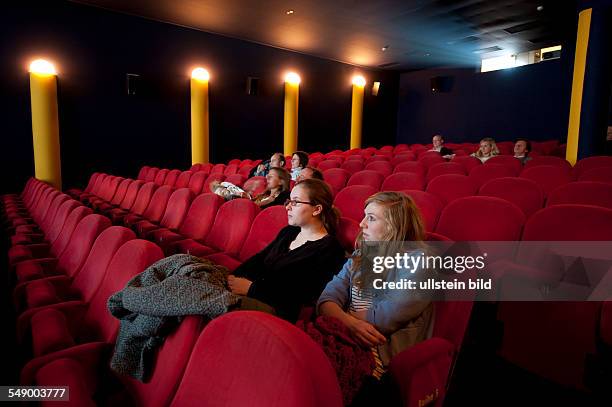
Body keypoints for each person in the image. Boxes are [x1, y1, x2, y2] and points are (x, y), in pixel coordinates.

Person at [317, 192, 433, 387]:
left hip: (378, 354)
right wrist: (349, 321)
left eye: (371, 218)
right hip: (345, 334)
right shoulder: (362, 253)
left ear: (395, 225)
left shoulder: (420, 262)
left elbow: (382, 320)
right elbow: (325, 299)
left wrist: (341, 314)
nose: (361, 224)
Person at [228, 179, 346, 321]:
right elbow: (259, 259)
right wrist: (232, 277)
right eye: (289, 201)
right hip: (247, 293)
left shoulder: (330, 250)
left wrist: (252, 289)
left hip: (273, 311)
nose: (288, 207)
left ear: (317, 209)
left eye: (295, 202)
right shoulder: (289, 232)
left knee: (197, 293)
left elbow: (301, 294)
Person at [211, 167, 290, 209]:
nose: (267, 177)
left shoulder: (283, 195)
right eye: (267, 175)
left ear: (281, 182)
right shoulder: (265, 194)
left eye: (271, 176)